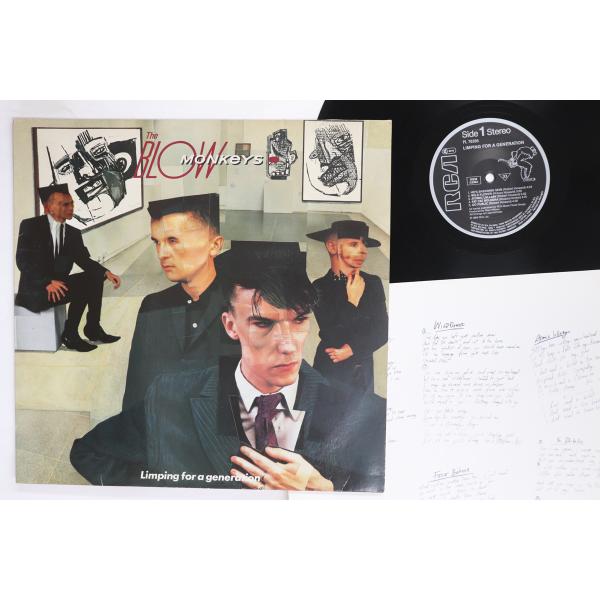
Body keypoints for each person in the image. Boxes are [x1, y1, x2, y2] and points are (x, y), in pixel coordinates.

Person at [70, 242, 386, 492]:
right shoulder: (170, 397)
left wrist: (326, 494)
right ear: (231, 325)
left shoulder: (366, 413)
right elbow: (88, 452)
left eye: (299, 320)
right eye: (263, 323)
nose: (288, 345)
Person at [120, 193, 240, 410]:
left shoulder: (243, 306)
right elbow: (135, 394)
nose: (162, 253)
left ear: (215, 245)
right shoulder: (152, 305)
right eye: (157, 242)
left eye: (173, 241)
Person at [15, 184, 122, 352]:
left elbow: (84, 260)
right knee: (84, 285)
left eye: (72, 203)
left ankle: (93, 328)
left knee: (94, 276)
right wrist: (46, 282)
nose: (71, 207)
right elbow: (23, 260)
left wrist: (106, 272)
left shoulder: (73, 233)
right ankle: (70, 334)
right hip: (36, 289)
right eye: (65, 204)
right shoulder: (31, 225)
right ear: (48, 207)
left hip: (59, 287)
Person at [306, 220, 388, 393]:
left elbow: (383, 331)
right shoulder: (319, 287)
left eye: (364, 244)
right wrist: (352, 301)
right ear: (332, 247)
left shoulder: (372, 283)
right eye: (354, 244)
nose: (363, 250)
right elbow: (334, 335)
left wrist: (351, 349)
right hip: (330, 372)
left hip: (363, 374)